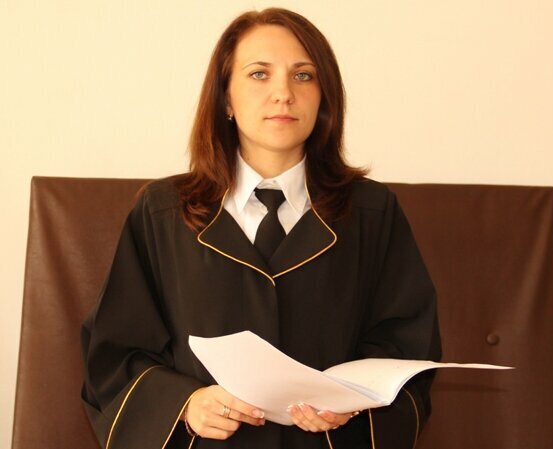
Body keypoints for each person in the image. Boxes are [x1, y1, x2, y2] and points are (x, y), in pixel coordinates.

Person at [81, 7, 441, 449]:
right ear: (225, 99)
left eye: (303, 76)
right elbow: (115, 353)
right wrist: (185, 404)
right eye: (259, 74)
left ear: (324, 98)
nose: (283, 93)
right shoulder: (163, 212)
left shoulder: (372, 212)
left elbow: (406, 344)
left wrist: (354, 400)